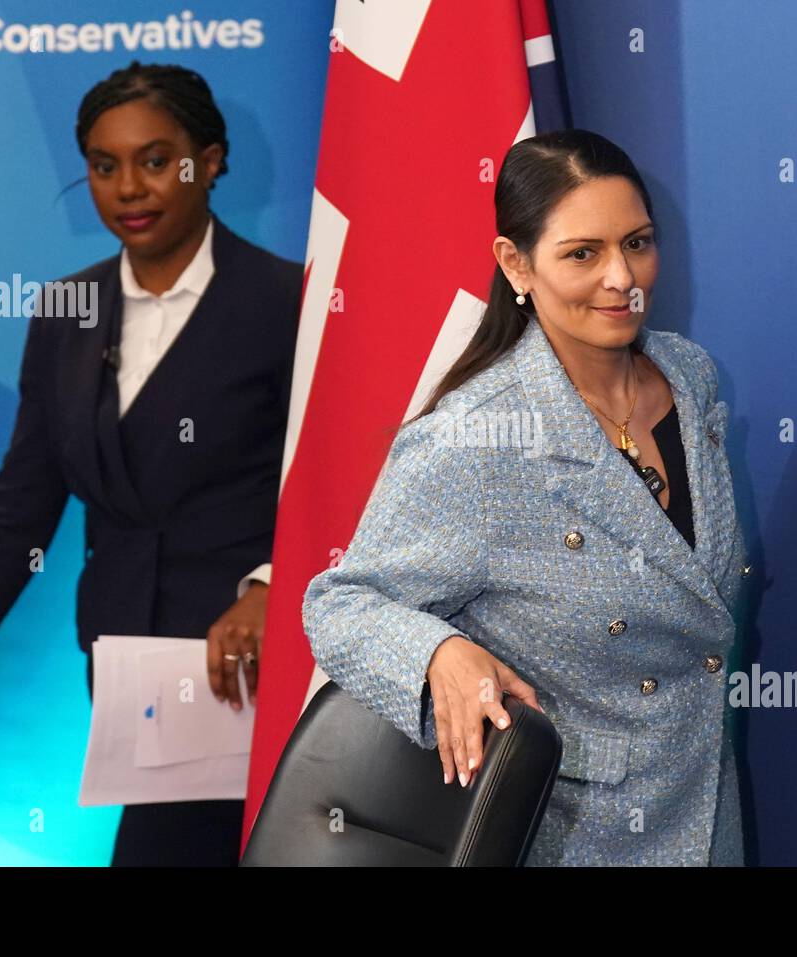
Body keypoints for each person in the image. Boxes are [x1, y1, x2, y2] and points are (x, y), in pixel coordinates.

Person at [0, 61, 301, 867]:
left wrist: (274, 585)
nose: (129, 187)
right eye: (105, 166)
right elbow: (15, 514)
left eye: (155, 159)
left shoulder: (290, 303)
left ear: (211, 160)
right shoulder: (66, 313)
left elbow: (338, 482)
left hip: (265, 675)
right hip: (132, 682)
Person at [301, 129, 748, 866]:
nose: (621, 277)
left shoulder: (689, 376)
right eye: (583, 253)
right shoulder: (478, 436)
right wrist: (439, 649)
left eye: (637, 242)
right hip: (578, 839)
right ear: (517, 263)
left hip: (705, 813)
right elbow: (339, 604)